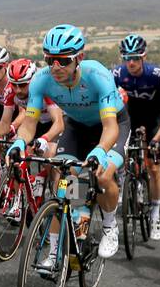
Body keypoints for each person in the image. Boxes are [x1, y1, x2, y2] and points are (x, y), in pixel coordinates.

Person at [10, 24, 129, 262]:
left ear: (79, 59)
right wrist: (19, 143)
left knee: (104, 175)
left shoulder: (97, 75)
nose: (55, 67)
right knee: (65, 185)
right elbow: (30, 123)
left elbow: (110, 126)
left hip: (111, 126)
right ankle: (55, 253)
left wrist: (100, 150)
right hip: (76, 127)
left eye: (63, 61)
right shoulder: (40, 81)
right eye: (50, 59)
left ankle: (109, 225)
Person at [112, 33, 160, 240]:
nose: (131, 62)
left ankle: (155, 214)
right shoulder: (118, 74)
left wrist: (158, 138)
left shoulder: (157, 74)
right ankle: (126, 180)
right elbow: (109, 103)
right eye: (127, 58)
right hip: (131, 117)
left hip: (155, 120)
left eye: (135, 58)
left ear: (143, 57)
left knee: (154, 168)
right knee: (120, 153)